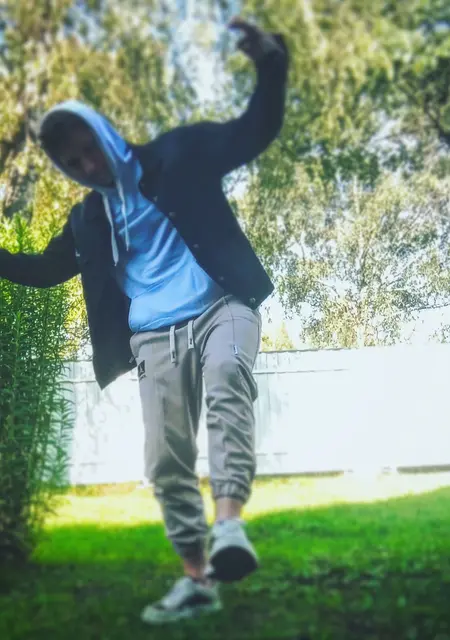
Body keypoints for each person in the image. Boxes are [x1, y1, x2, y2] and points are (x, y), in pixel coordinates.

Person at [0, 17, 288, 624]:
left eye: (90, 147)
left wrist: (270, 63)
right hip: (154, 337)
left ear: (106, 132)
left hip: (222, 306)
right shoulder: (87, 220)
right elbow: (43, 270)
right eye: (73, 160)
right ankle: (197, 580)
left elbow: (252, 131)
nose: (88, 164)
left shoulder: (177, 156)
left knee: (228, 377)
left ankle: (229, 527)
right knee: (164, 460)